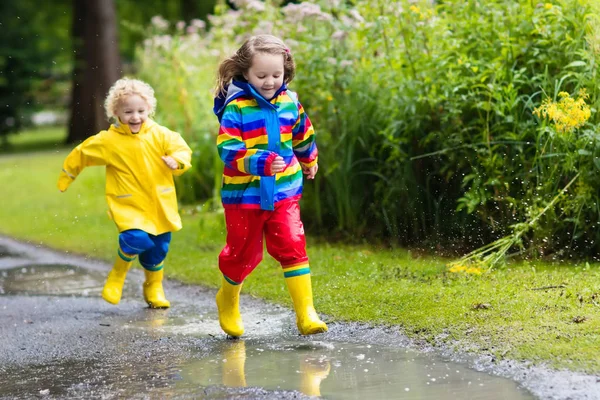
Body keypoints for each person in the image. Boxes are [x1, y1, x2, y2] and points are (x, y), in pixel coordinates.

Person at [213, 34, 327, 337]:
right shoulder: (236, 109)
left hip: (283, 190)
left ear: (285, 71)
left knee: (291, 242)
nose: (269, 81)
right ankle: (228, 300)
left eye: (276, 75)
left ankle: (306, 314)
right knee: (242, 254)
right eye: (261, 75)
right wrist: (258, 162)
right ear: (245, 73)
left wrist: (309, 158)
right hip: (244, 195)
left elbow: (302, 133)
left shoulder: (291, 102)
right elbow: (226, 149)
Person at [57, 78, 192, 308]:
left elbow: (181, 148)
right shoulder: (109, 141)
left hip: (160, 203)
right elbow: (82, 153)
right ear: (116, 112)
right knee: (135, 238)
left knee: (158, 248)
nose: (135, 117)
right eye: (128, 111)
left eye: (141, 111)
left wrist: (177, 161)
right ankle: (117, 275)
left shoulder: (161, 135)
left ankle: (153, 286)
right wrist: (67, 176)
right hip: (129, 204)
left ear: (149, 109)